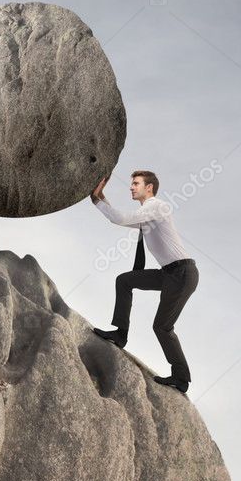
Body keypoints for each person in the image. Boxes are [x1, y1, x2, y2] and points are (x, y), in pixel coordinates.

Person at [90, 169, 199, 395]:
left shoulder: (156, 207)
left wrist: (97, 200)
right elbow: (117, 219)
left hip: (182, 273)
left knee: (162, 327)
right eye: (132, 184)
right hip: (169, 273)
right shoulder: (147, 215)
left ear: (149, 187)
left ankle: (181, 378)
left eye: (136, 183)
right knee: (125, 281)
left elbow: (119, 217)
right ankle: (120, 334)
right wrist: (98, 198)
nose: (131, 187)